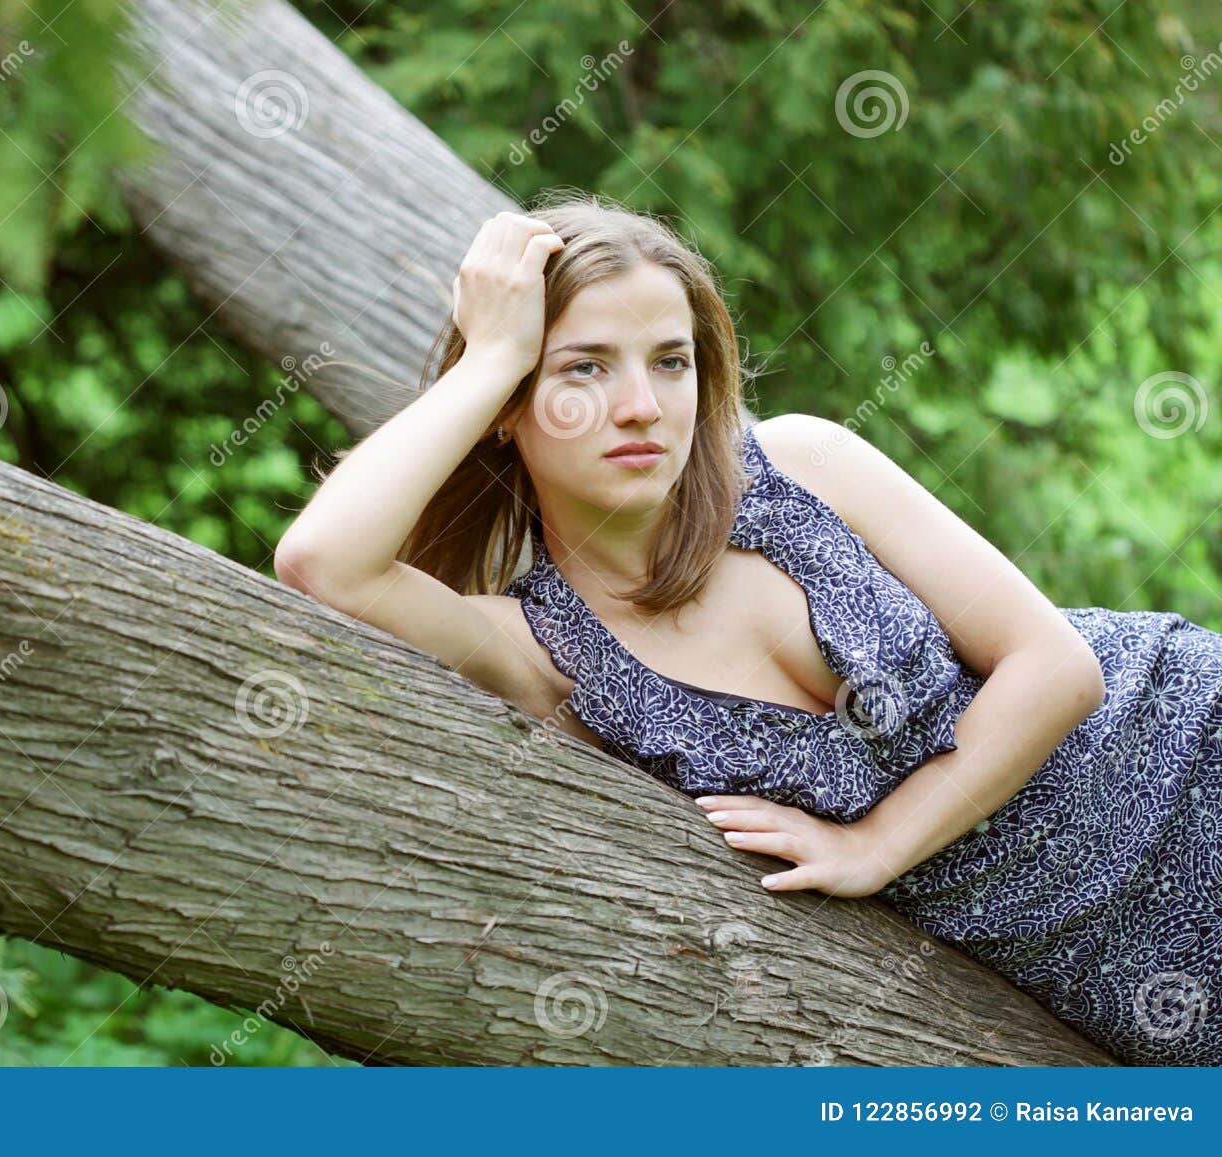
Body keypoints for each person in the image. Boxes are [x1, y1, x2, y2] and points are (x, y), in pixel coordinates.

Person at [272, 191, 1220, 1065]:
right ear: (511, 408)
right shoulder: (540, 651)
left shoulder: (802, 464)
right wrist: (490, 357)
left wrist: (877, 845)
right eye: (584, 368)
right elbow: (325, 561)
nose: (641, 405)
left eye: (670, 361)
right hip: (1106, 960)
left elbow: (1057, 665)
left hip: (1183, 745)